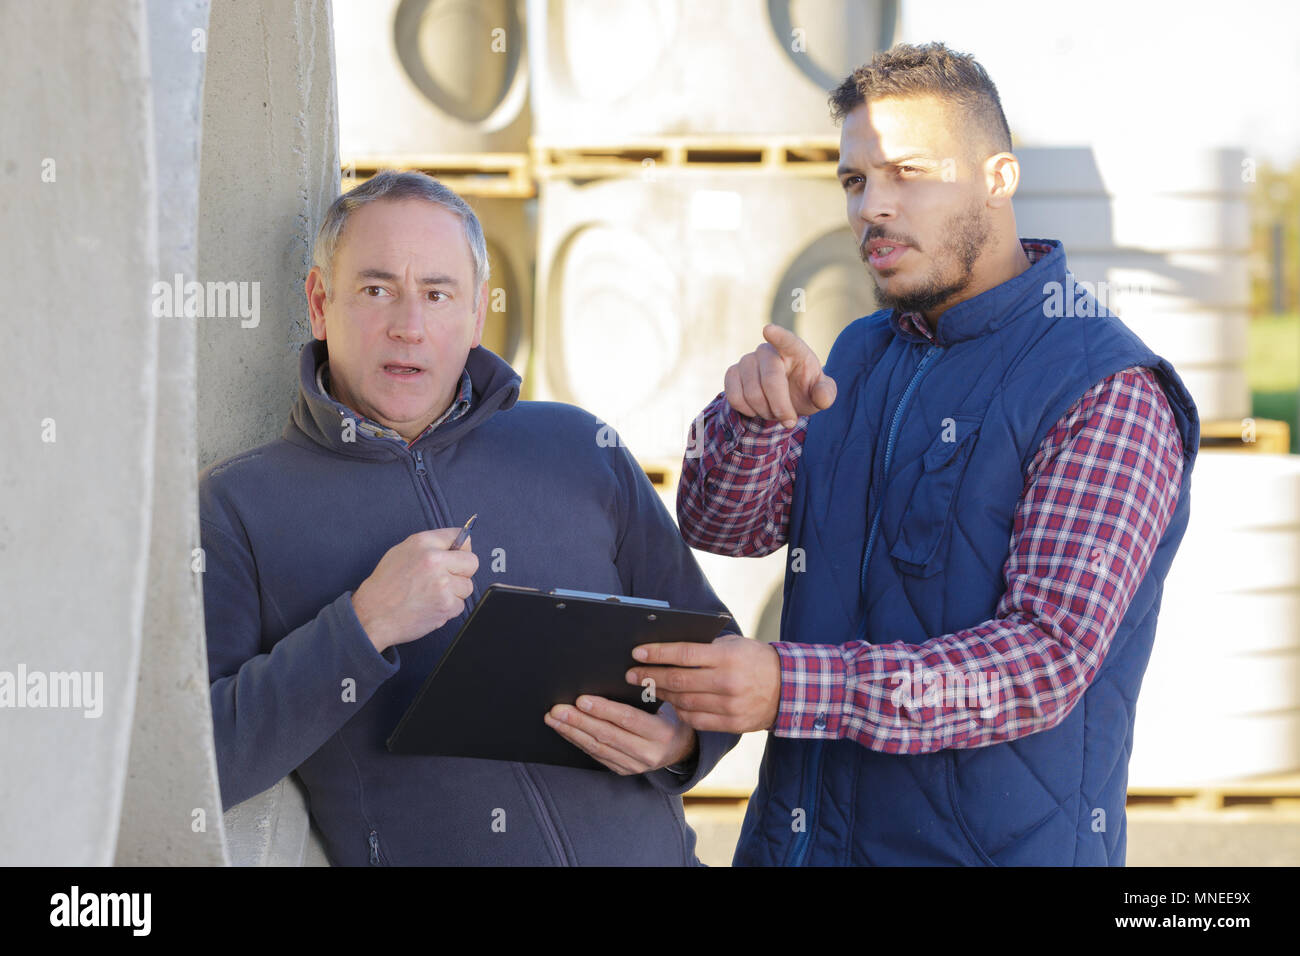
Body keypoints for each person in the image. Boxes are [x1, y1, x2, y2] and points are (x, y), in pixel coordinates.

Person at [628, 42, 1200, 866]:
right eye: (856, 181)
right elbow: (724, 526)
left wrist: (790, 687)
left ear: (998, 179)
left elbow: (1042, 660)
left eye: (908, 173)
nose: (871, 209)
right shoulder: (862, 351)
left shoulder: (1105, 387)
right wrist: (753, 421)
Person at [201, 170, 737, 865]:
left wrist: (680, 741)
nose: (409, 325)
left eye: (437, 292)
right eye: (375, 289)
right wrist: (364, 625)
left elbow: (713, 649)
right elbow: (204, 761)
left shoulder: (577, 447)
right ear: (317, 302)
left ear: (478, 311)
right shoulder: (240, 505)